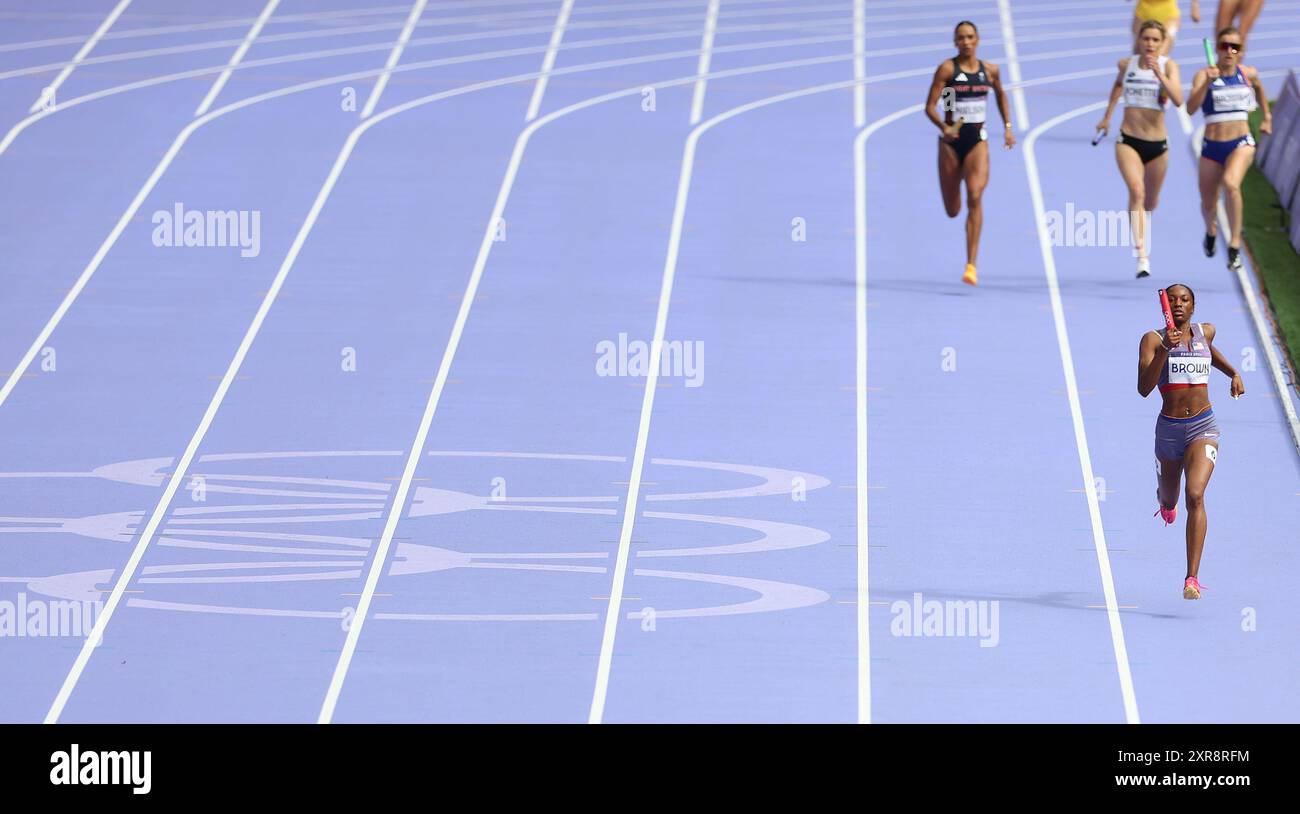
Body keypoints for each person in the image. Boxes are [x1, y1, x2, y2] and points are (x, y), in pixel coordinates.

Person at [1137, 284, 1245, 599]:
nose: (1179, 304)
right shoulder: (1152, 340)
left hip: (1203, 426)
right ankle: (1165, 504)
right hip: (1169, 431)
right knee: (1171, 499)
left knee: (1195, 495)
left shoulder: (1204, 332)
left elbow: (1210, 355)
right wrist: (1164, 351)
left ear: (1193, 307)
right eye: (1172, 301)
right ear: (1165, 308)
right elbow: (1144, 388)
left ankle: (1191, 579)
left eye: (1185, 300)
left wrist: (1234, 373)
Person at [924, 20, 1015, 286]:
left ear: (978, 40)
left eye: (970, 37)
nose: (965, 41)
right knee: (953, 209)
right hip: (950, 143)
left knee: (975, 196)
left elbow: (1000, 96)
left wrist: (1008, 128)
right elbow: (930, 107)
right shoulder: (947, 69)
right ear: (955, 42)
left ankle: (971, 265)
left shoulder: (990, 70)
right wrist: (944, 126)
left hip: (977, 140)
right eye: (960, 38)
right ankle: (958, 209)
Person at [1096, 20, 1183, 277]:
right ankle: (1142, 255)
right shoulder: (1127, 64)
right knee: (1137, 190)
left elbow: (1178, 100)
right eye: (1146, 39)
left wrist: (1160, 75)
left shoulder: (1169, 66)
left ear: (1163, 42)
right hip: (1129, 140)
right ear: (1139, 40)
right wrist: (1107, 117)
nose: (1150, 44)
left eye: (1156, 40)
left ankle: (1140, 224)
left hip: (1158, 145)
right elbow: (1118, 85)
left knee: (1150, 202)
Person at [1186, 27, 1272, 271]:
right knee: (1208, 203)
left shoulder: (1248, 74)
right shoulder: (1203, 76)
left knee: (1232, 185)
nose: (1230, 51)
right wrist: (1207, 85)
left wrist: (1267, 116)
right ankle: (1211, 231)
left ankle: (1234, 246)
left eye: (1235, 47)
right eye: (1225, 46)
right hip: (1212, 146)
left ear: (1241, 52)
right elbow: (1190, 109)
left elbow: (1260, 89)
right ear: (1217, 48)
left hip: (1241, 143)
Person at [1128, 0, 1200, 55]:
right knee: (1138, 53)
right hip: (1143, 12)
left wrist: (1195, 5)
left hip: (1168, 14)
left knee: (1161, 54)